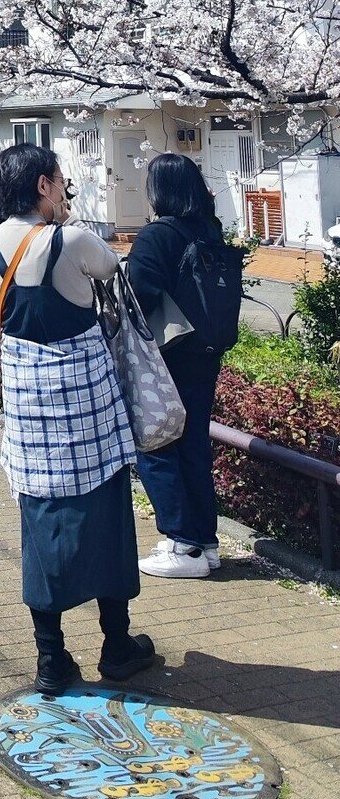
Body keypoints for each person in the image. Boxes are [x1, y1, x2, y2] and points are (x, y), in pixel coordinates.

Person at [0, 142, 156, 695]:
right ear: (43, 186)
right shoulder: (68, 240)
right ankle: (116, 646)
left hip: (29, 407)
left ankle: (51, 658)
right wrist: (66, 220)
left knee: (41, 522)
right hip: (87, 410)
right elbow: (112, 269)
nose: (64, 190)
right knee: (107, 518)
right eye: (60, 181)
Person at [129, 154, 233, 579]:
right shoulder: (210, 231)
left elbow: (138, 295)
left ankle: (182, 544)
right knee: (193, 445)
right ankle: (206, 543)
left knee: (155, 443)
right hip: (205, 355)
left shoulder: (158, 235)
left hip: (166, 357)